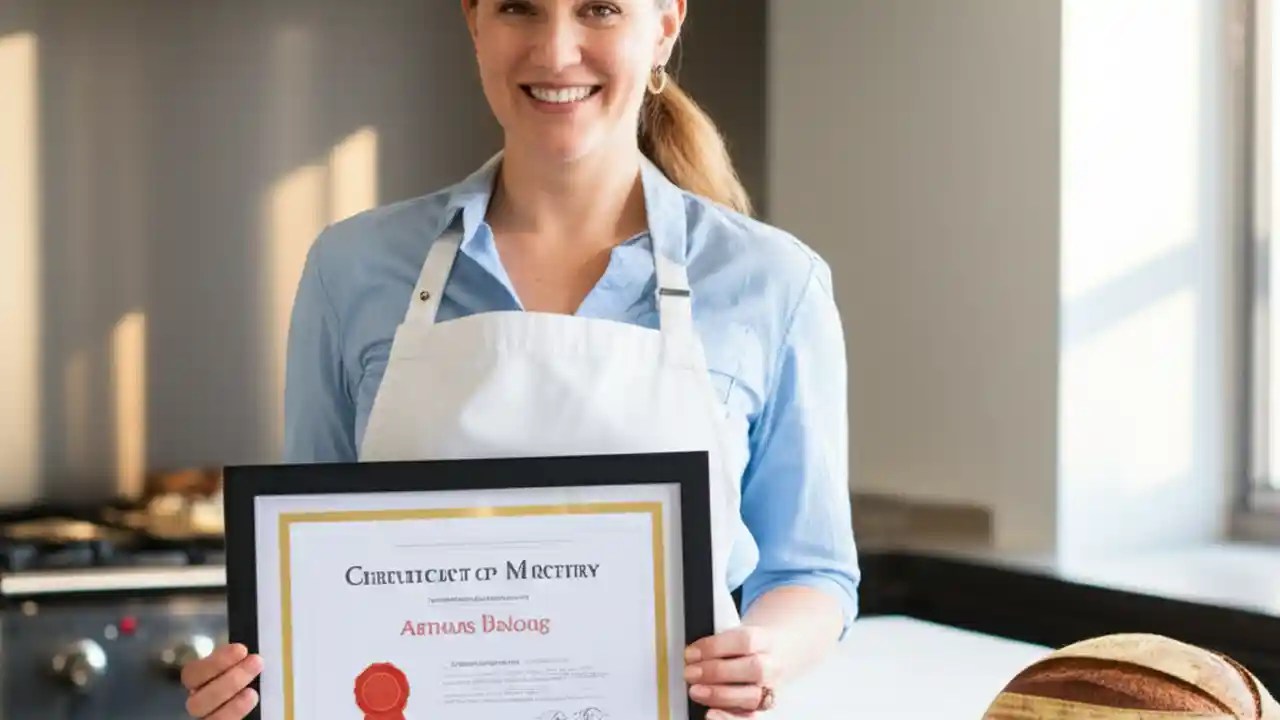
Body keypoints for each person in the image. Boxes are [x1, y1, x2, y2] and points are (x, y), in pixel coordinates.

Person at [181, 0, 860, 718]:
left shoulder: (774, 282)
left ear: (664, 25)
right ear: (475, 23)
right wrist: (257, 686)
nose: (556, 50)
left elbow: (811, 571)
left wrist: (764, 653)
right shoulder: (351, 269)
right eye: (518, 9)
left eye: (598, 9)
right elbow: (306, 563)